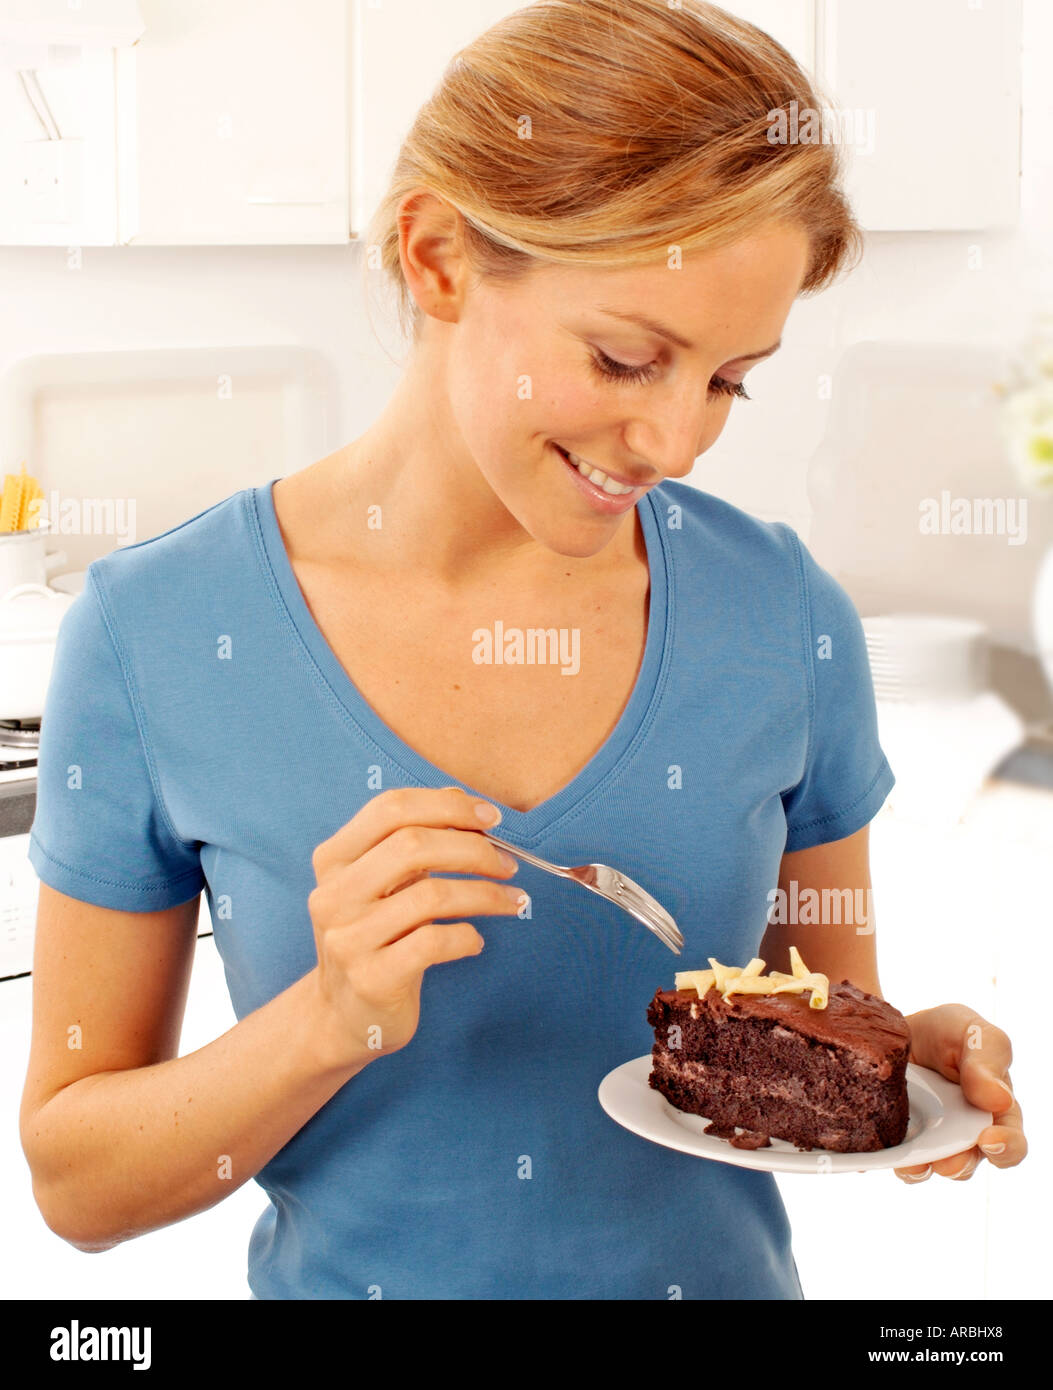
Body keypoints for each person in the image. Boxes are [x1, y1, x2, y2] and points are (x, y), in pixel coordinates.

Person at [20, 0, 1025, 1300]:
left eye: (728, 380)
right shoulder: (152, 635)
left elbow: (817, 1009)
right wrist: (323, 1023)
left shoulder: (782, 611)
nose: (672, 441)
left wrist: (903, 1065)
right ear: (438, 257)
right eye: (623, 357)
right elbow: (77, 1186)